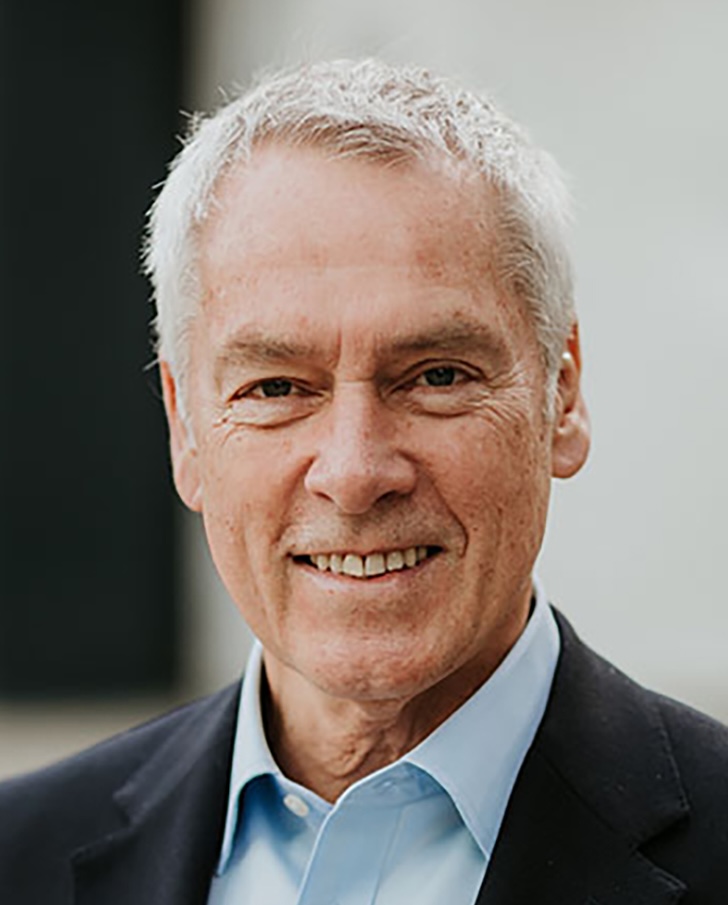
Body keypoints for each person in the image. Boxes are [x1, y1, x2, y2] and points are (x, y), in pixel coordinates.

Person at [1, 58, 726, 904]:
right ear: (184, 429)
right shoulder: (20, 858)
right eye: (277, 387)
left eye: (437, 376)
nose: (353, 472)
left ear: (561, 395)